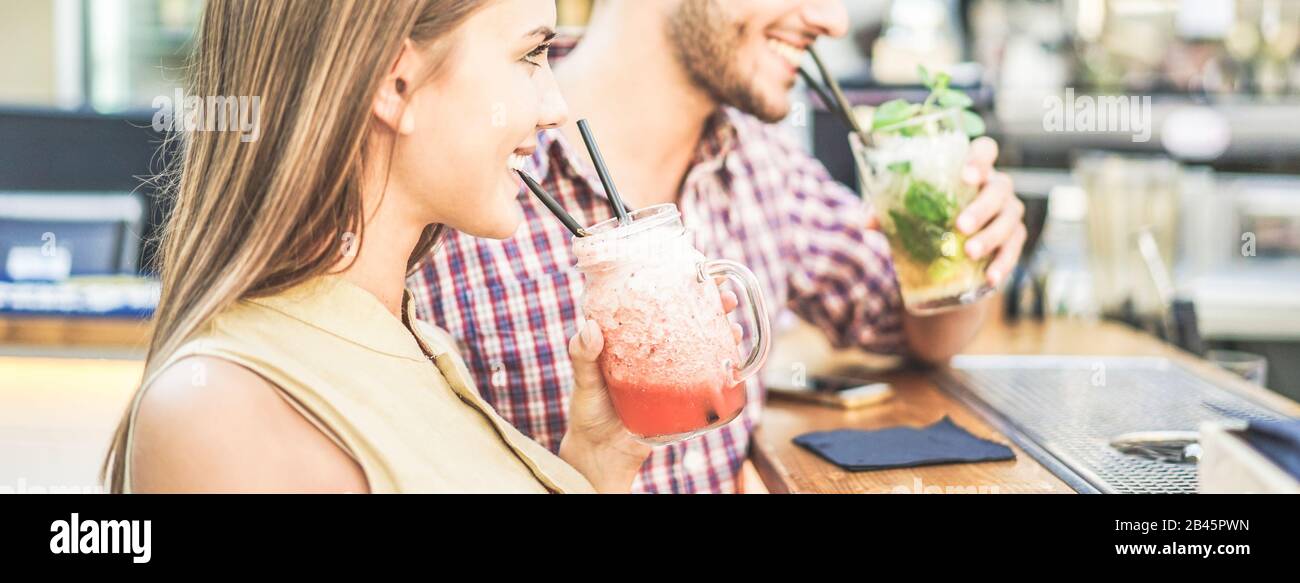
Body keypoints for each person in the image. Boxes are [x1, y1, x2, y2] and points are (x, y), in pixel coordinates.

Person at [102, 0, 743, 493]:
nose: (554, 108)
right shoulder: (218, 415)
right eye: (531, 55)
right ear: (394, 84)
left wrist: (596, 460)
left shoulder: (405, 338)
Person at [409, 0, 1027, 493]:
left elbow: (907, 322)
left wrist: (961, 248)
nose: (835, 20)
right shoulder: (458, 159)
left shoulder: (763, 159)